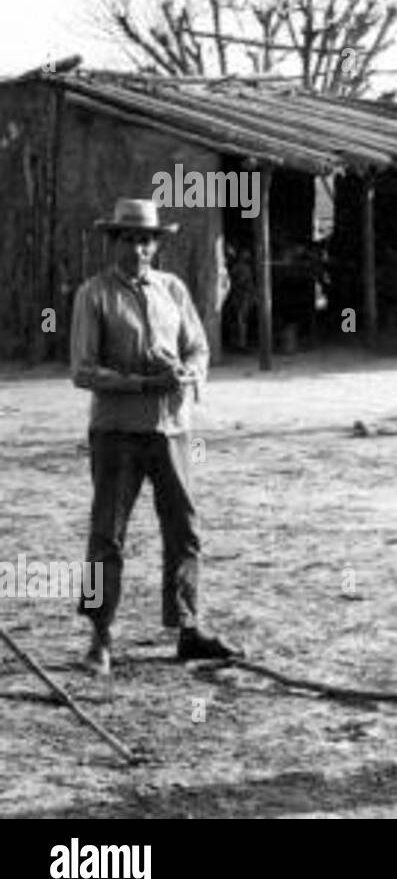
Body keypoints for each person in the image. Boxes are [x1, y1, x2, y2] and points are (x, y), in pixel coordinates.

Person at [70, 198, 241, 675]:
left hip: (172, 428)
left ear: (156, 245)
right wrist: (141, 383)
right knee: (108, 535)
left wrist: (188, 373)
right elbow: (82, 371)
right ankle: (99, 637)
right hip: (117, 432)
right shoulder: (94, 294)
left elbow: (199, 347)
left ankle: (188, 628)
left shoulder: (173, 290)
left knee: (184, 530)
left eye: (146, 240)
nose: (139, 249)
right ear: (114, 242)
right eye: (129, 239)